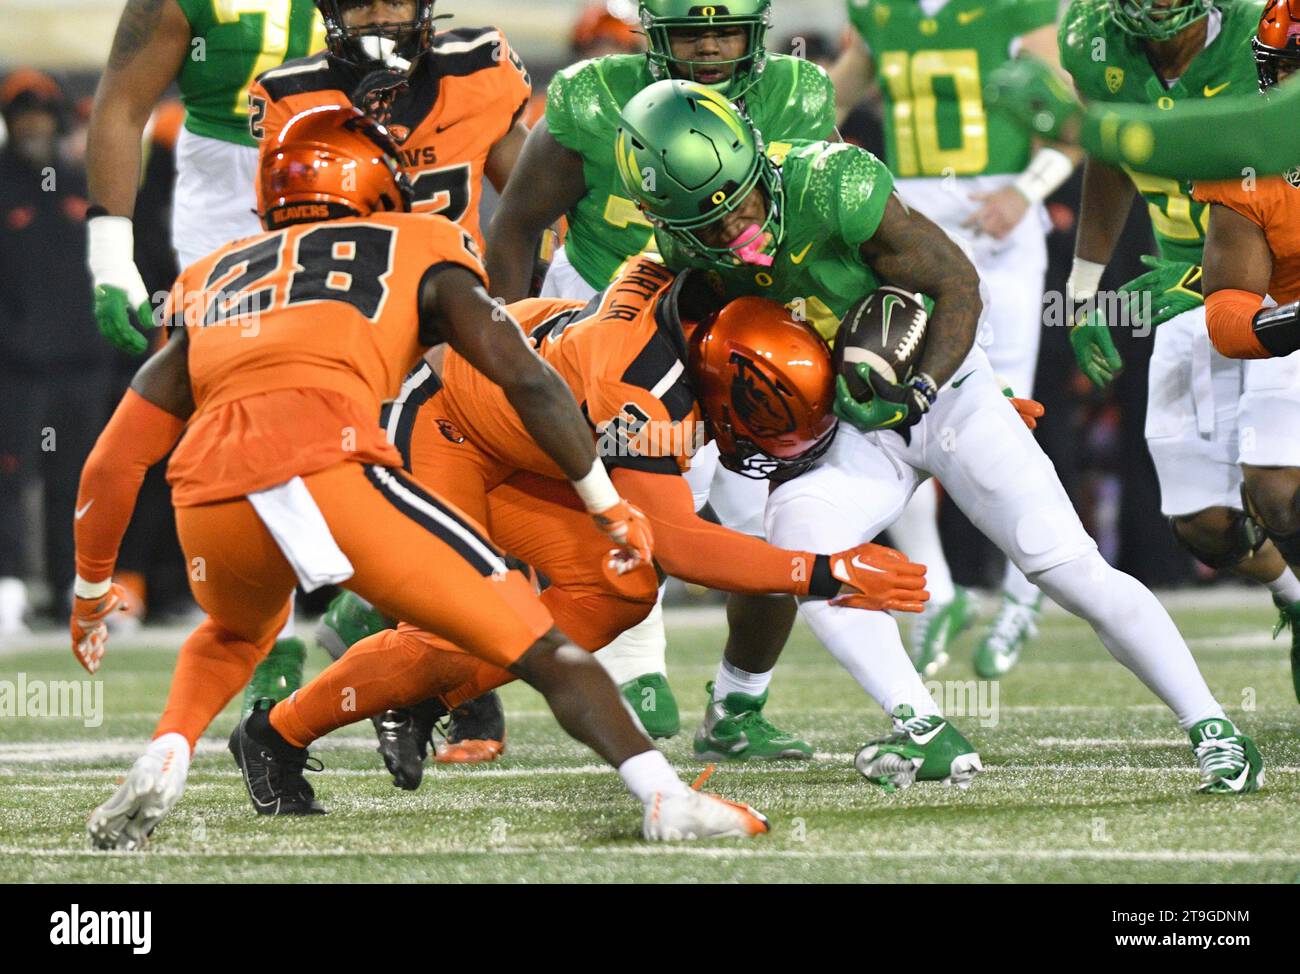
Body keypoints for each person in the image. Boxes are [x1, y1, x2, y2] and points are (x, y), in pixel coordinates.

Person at [76, 105, 775, 848]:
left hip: (209, 495)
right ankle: (666, 798)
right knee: (541, 645)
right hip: (333, 466)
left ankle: (170, 748)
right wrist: (604, 503)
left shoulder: (217, 275)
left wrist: (92, 590)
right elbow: (528, 381)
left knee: (233, 634)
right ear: (378, 182)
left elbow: (113, 459)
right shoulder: (418, 241)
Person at [618, 79, 1265, 794]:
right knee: (799, 542)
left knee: (1066, 569)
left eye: (739, 198)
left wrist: (923, 387)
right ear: (664, 220)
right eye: (707, 224)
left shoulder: (832, 184)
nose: (734, 224)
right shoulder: (681, 261)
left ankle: (1215, 730)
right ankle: (924, 728)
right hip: (846, 429)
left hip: (943, 396)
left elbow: (958, 285)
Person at [241, 266, 931, 794]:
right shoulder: (642, 390)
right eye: (768, 427)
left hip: (519, 444)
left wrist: (935, 407)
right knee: (461, 623)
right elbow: (679, 544)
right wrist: (827, 569)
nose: (767, 443)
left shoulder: (699, 301)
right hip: (442, 419)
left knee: (619, 586)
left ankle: (427, 697)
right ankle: (276, 733)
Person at [444, 0, 837, 754]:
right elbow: (519, 221)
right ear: (653, 35)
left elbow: (822, 219)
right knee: (637, 513)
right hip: (610, 319)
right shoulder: (595, 98)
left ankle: (739, 707)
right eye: (692, 30)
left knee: (770, 529)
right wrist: (504, 338)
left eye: (728, 28)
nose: (714, 45)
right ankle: (630, 665)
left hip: (739, 328)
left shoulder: (797, 92)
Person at [251, 0, 534, 757]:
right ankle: (443, 688)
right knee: (425, 516)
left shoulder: (477, 64)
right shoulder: (292, 90)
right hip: (361, 320)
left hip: (454, 312)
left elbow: (531, 195)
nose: (379, 12)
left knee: (492, 504)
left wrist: (521, 300)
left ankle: (414, 659)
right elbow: (283, 220)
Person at [85, 0, 326, 715]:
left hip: (347, 172)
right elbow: (121, 103)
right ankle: (267, 626)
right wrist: (110, 255)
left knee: (367, 396)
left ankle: (384, 610)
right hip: (223, 196)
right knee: (245, 410)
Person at [829, 0, 1079, 678]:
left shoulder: (1013, 8)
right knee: (885, 396)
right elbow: (823, 108)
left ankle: (1028, 593)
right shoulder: (880, 12)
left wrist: (1026, 192)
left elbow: (1074, 125)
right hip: (909, 219)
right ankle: (935, 585)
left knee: (1006, 412)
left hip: (996, 217)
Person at [1046, 0, 1300, 665]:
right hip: (1193, 284)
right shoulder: (1094, 42)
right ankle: (1294, 600)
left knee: (1278, 486)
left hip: (1277, 279)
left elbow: (1260, 154)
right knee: (1204, 525)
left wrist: (1071, 122)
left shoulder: (1262, 36)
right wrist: (1080, 292)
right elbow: (1114, 155)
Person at [1194, 0, 1300, 700]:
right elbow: (1229, 311)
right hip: (1294, 323)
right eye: (1284, 69)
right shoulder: (1250, 164)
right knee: (1271, 489)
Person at [0, 70, 112, 638]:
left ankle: (76, 586)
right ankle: (10, 586)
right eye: (23, 116)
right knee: (11, 476)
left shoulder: (82, 185)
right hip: (16, 370)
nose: (32, 126)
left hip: (83, 365)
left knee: (79, 478)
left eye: (41, 115)